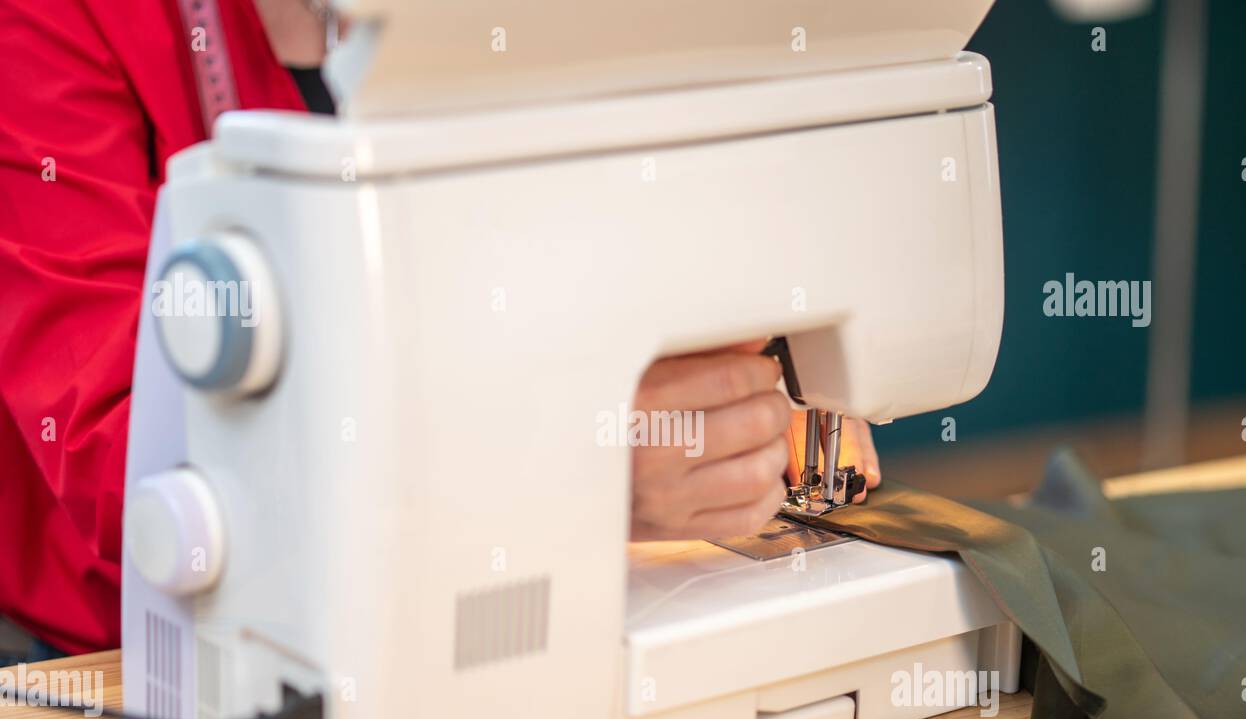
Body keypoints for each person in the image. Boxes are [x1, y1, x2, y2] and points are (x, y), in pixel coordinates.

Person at [0, 0, 880, 661]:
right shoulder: (51, 21)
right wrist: (568, 472)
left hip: (454, 596)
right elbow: (131, 463)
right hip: (131, 652)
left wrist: (742, 384)